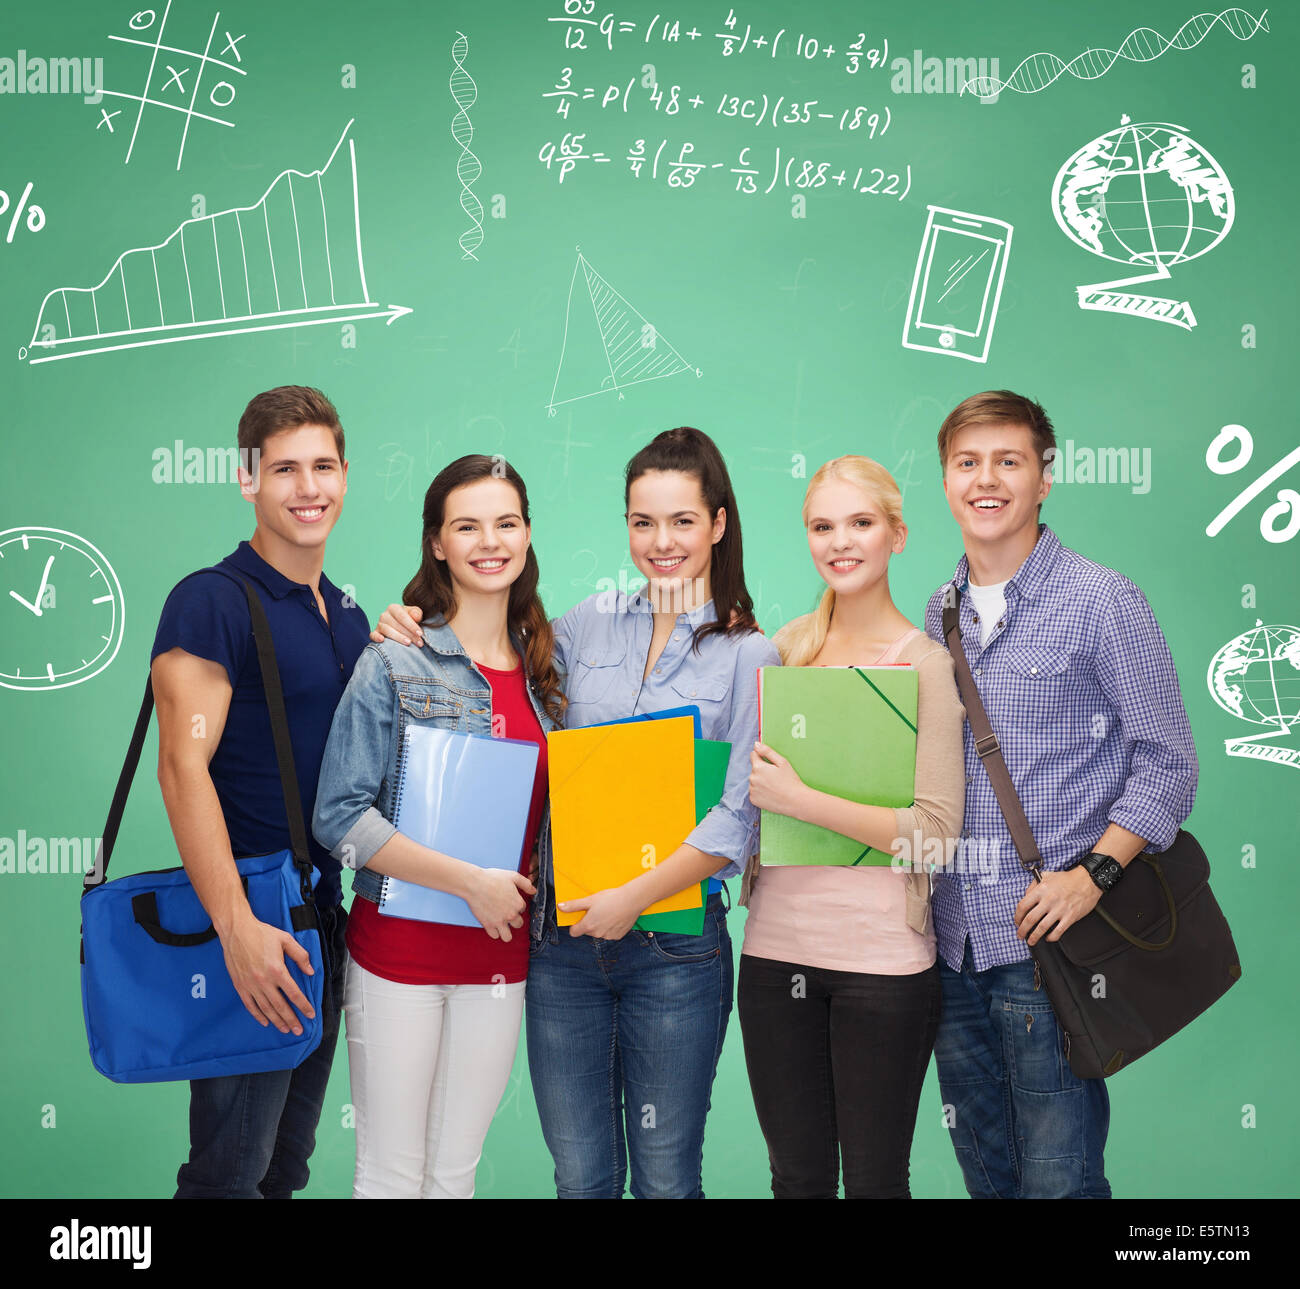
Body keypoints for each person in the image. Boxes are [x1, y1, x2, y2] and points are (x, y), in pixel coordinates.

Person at [375, 427, 780, 1198]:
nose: (661, 542)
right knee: (581, 1175)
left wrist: (635, 896)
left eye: (683, 521)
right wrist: (410, 624)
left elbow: (739, 817)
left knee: (664, 1177)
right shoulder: (585, 622)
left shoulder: (749, 656)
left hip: (674, 951)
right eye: (642, 521)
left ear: (719, 524)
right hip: (562, 947)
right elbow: (486, 665)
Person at [924, 390, 1198, 1199]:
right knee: (988, 1178)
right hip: (951, 947)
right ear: (946, 481)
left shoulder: (1103, 600)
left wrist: (1092, 876)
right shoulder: (936, 614)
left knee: (1061, 1183)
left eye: (1009, 461)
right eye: (968, 463)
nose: (987, 480)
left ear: (1045, 477)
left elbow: (1168, 765)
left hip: (1052, 950)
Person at [312, 455, 562, 1198]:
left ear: (526, 534)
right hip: (397, 957)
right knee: (391, 1174)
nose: (490, 541)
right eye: (467, 525)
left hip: (499, 960)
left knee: (452, 1176)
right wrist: (468, 883)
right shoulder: (395, 659)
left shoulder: (552, 674)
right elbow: (339, 819)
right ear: (437, 544)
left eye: (506, 522)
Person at [150, 385, 371, 1198]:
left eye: (322, 466)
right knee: (227, 1175)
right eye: (284, 469)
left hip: (323, 922)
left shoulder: (343, 616)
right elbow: (183, 768)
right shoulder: (212, 601)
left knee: (281, 1170)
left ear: (346, 475)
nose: (307, 487)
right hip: (251, 921)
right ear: (248, 479)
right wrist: (236, 925)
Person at [742, 455, 965, 1198]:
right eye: (822, 525)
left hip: (885, 968)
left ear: (897, 535)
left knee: (874, 1182)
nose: (841, 542)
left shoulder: (926, 665)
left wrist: (802, 799)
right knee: (797, 1178)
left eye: (861, 523)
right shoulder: (781, 649)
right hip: (776, 959)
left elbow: (935, 834)